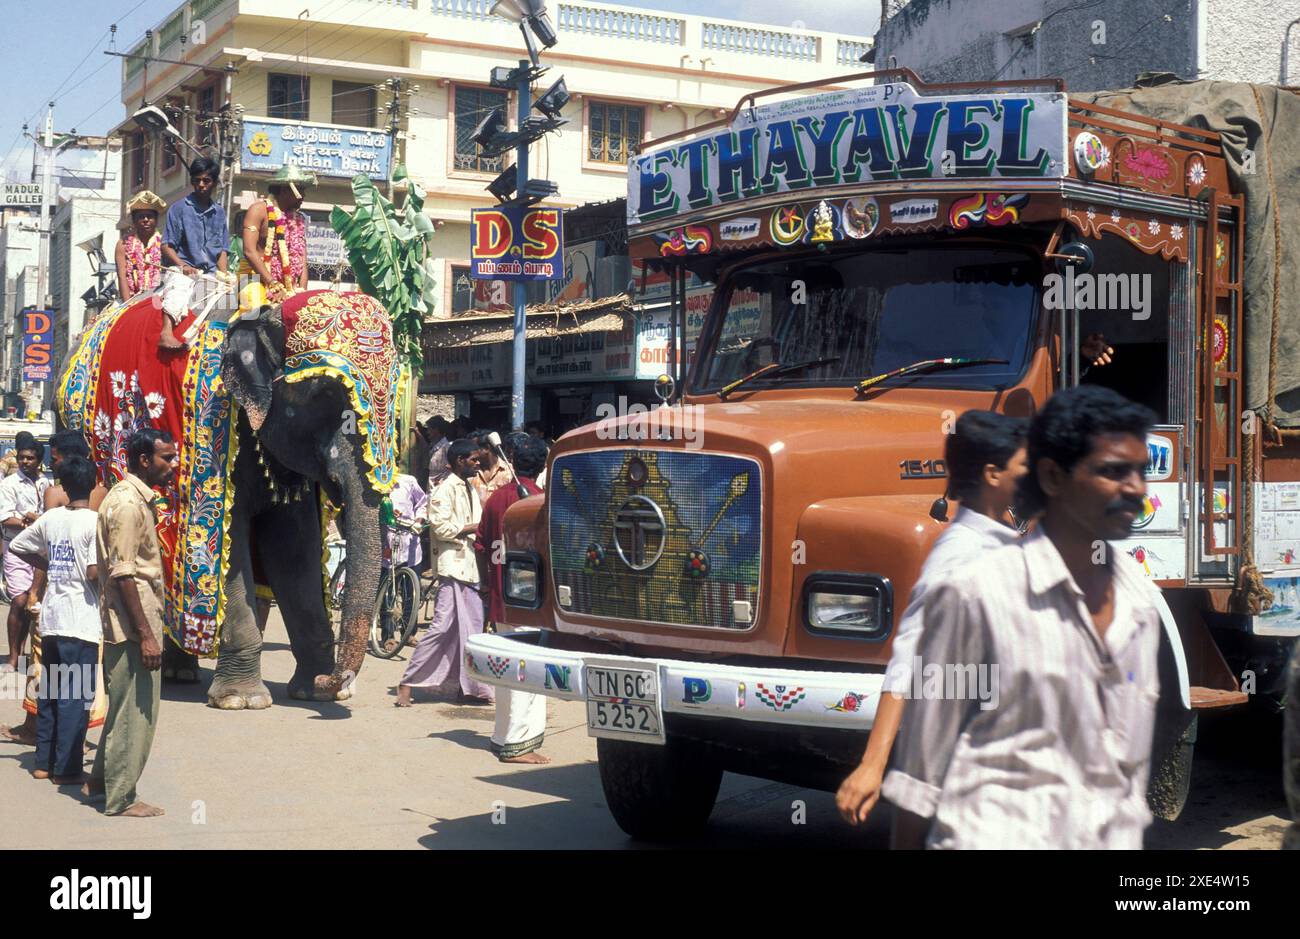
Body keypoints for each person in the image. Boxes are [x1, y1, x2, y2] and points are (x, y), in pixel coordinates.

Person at [882, 386, 1164, 849]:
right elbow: (921, 772)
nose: (1135, 488)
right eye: (1113, 471)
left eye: (1140, 471)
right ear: (1053, 476)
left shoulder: (1139, 607)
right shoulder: (976, 592)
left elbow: (1128, 778)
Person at [836, 410, 1027, 826]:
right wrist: (872, 765)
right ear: (993, 474)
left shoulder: (1006, 539)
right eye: (1023, 467)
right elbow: (908, 661)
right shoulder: (959, 556)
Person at [83, 428, 176, 818]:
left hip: (135, 623)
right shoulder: (126, 505)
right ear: (143, 460)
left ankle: (102, 782)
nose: (172, 466)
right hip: (131, 627)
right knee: (136, 714)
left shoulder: (133, 499)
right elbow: (124, 575)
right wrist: (146, 636)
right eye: (165, 458)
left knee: (123, 709)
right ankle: (122, 798)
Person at [9, 457, 100, 784]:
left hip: (51, 621)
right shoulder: (94, 522)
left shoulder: (52, 519)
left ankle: (42, 763)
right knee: (75, 698)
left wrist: (46, 563)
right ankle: (66, 768)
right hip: (80, 622)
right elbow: (92, 571)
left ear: (64, 485)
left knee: (49, 694)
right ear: (93, 485)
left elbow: (18, 544)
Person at [395, 439, 494, 707]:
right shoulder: (443, 490)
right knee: (441, 627)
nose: (477, 463)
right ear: (460, 461)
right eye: (473, 459)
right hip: (453, 568)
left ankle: (469, 687)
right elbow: (440, 529)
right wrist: (475, 527)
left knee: (471, 630)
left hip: (470, 567)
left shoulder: (469, 489)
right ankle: (407, 684)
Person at [476, 435, 549, 763]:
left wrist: (485, 584)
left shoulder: (494, 501)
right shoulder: (540, 501)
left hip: (501, 597)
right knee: (526, 672)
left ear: (515, 464)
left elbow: (480, 546)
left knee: (511, 669)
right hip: (533, 605)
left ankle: (506, 734)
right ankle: (517, 743)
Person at [161, 156, 229, 350]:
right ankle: (166, 333)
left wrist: (224, 275)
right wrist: (183, 266)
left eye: (206, 180)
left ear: (214, 183)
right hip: (183, 271)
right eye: (196, 180)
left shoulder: (220, 212)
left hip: (211, 273)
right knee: (178, 288)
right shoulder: (179, 209)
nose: (201, 184)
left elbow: (223, 249)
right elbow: (167, 246)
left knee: (238, 295)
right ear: (191, 181)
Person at [0, 433, 51, 677]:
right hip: (16, 548)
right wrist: (29, 520)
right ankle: (13, 656)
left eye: (30, 458)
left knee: (34, 604)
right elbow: (5, 518)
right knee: (19, 601)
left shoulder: (46, 484)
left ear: (39, 460)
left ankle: (28, 653)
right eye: (21, 458)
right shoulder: (9, 484)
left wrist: (36, 521)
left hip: (41, 551)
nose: (25, 462)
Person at [238, 163, 314, 311]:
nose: (304, 195)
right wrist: (272, 283)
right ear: (286, 189)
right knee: (255, 311)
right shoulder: (258, 210)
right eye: (301, 190)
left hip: (287, 285)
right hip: (255, 279)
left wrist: (301, 291)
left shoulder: (298, 218)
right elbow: (249, 251)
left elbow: (302, 260)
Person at [115, 191, 166, 302]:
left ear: (156, 220)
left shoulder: (164, 243)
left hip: (159, 298)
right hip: (131, 299)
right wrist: (128, 305)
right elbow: (122, 276)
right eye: (141, 217)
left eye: (150, 216)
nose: (146, 220)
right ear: (134, 221)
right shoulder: (122, 244)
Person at [470, 428, 513, 504]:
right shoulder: (471, 472)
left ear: (486, 448)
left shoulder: (510, 471)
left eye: (475, 449)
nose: (471, 453)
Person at [425, 417, 452, 491]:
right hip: (432, 488)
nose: (427, 432)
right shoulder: (433, 446)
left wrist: (442, 481)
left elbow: (452, 469)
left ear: (436, 430)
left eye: (429, 429)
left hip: (441, 489)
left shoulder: (447, 447)